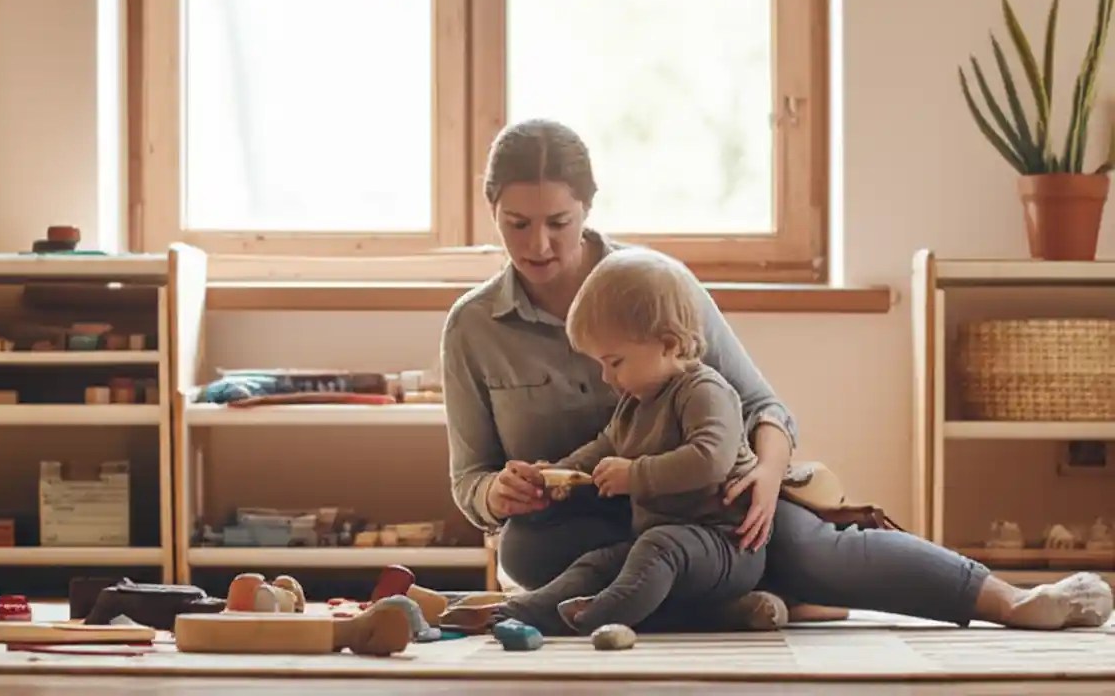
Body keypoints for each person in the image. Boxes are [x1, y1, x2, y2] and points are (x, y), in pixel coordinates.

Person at [440, 117, 1113, 632]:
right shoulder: (473, 328)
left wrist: (763, 480)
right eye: (516, 224)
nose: (538, 245)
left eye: (557, 222)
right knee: (527, 553)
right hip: (593, 524)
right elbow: (469, 480)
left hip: (710, 507)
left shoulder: (653, 289)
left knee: (815, 549)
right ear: (491, 208)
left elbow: (763, 406)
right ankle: (735, 605)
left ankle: (1014, 600)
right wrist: (498, 494)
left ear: (588, 205)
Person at [488, 246, 776, 636]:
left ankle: (590, 617)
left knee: (657, 548)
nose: (606, 377)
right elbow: (603, 447)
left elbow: (710, 460)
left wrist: (635, 476)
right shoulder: (635, 405)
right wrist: (554, 473)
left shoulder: (704, 390)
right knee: (601, 563)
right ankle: (522, 610)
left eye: (615, 362)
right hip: (664, 541)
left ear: (668, 344)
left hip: (724, 543)